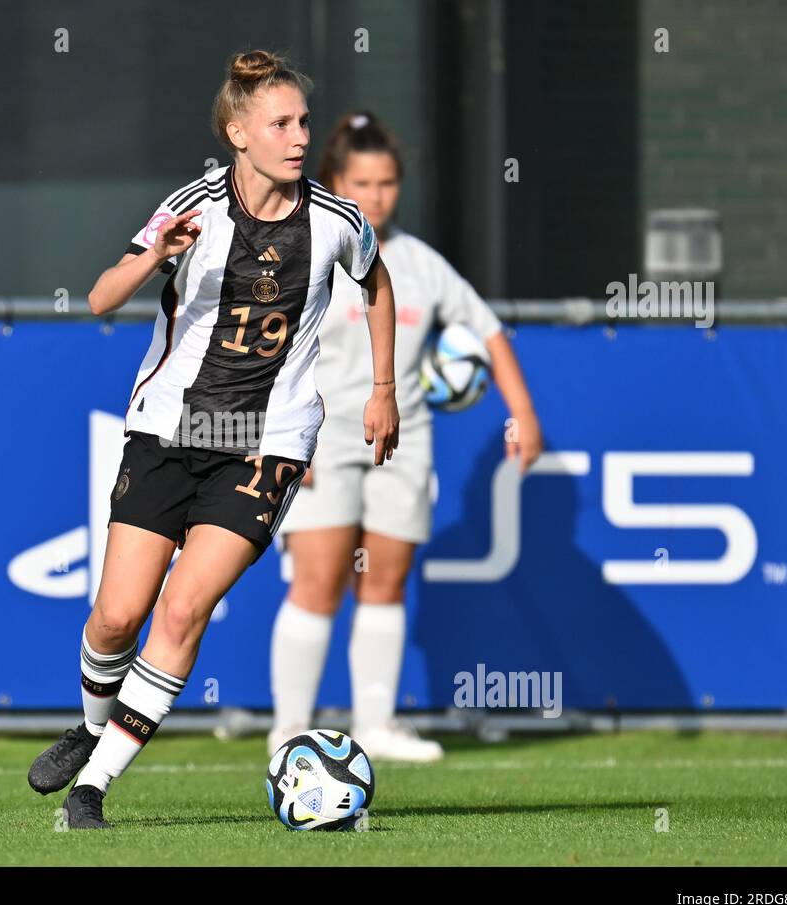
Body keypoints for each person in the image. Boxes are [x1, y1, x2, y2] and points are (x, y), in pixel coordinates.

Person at [27, 50, 400, 828]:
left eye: (302, 121)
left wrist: (383, 389)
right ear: (238, 132)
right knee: (117, 617)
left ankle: (91, 789)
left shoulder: (336, 220)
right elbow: (99, 298)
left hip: (266, 444)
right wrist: (155, 254)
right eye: (281, 123)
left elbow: (377, 281)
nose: (299, 137)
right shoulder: (192, 206)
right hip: (169, 429)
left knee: (184, 608)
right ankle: (92, 726)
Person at [270, 111, 544, 761]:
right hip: (321, 439)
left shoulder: (421, 264)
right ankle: (289, 728)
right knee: (317, 579)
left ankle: (375, 723)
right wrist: (284, 435)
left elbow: (487, 330)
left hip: (403, 442)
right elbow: (271, 347)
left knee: (385, 582)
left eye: (388, 182)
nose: (376, 195)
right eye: (361, 182)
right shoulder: (308, 249)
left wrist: (524, 414)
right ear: (334, 181)